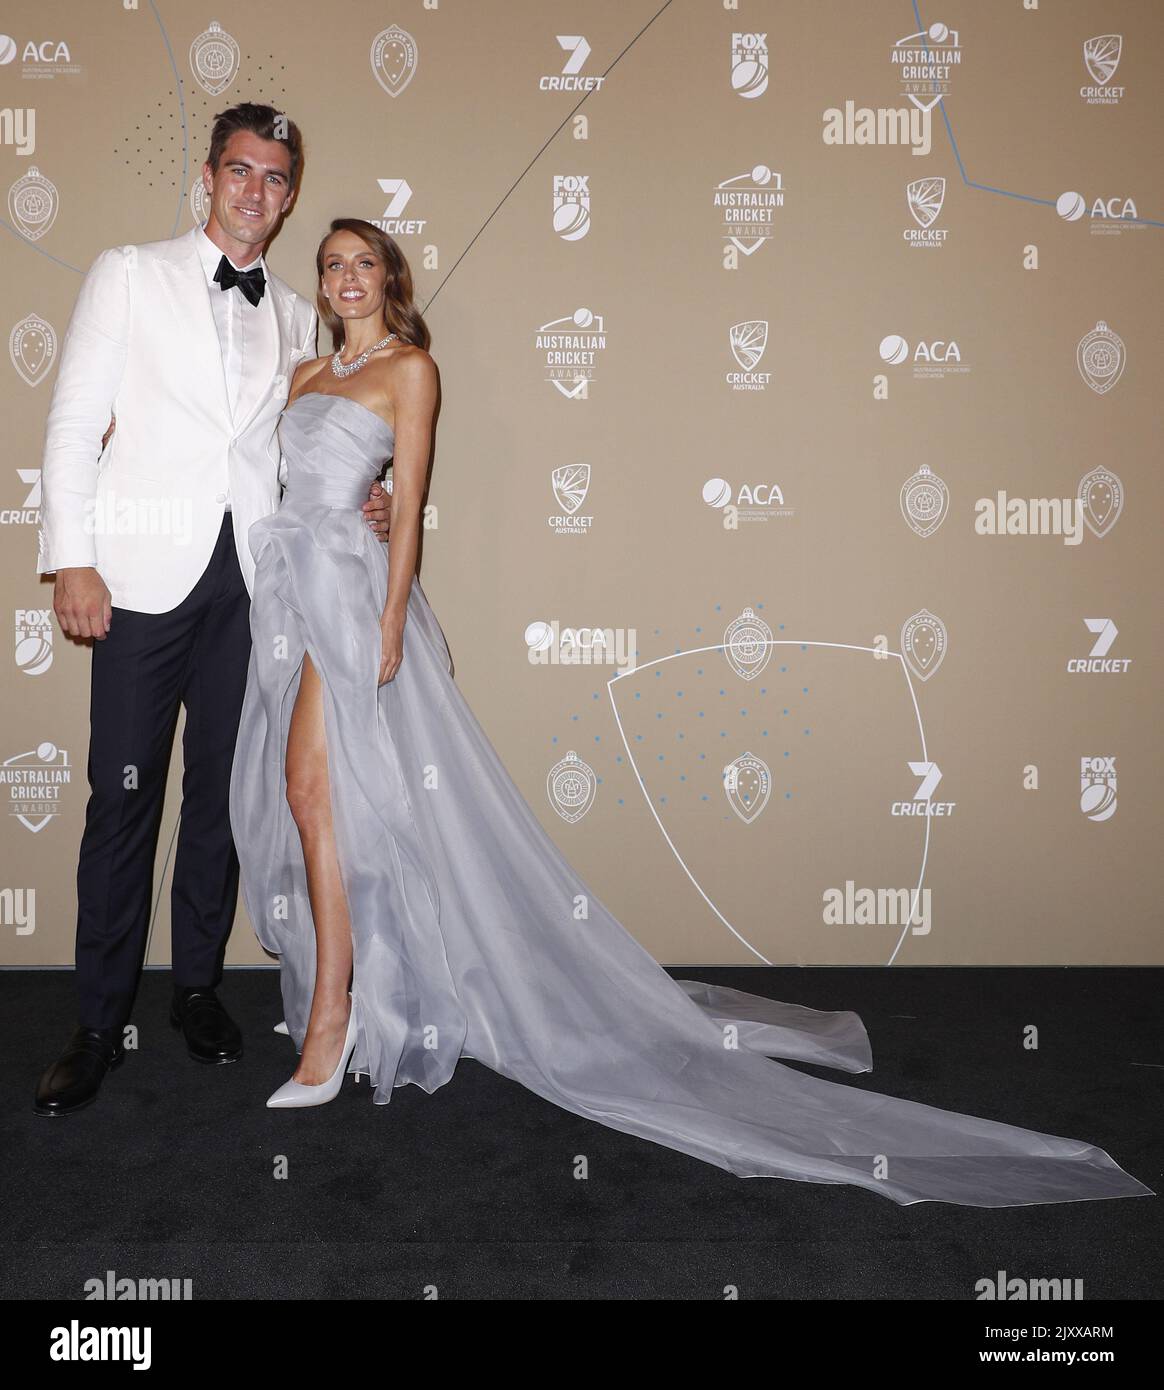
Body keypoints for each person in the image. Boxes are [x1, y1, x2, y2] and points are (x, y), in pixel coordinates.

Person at [229, 217, 1153, 1207]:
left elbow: (407, 506)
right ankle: (360, 994)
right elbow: (286, 488)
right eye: (334, 266)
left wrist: (394, 614)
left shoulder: (411, 370)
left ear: (388, 278)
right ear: (321, 288)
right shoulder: (299, 380)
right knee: (320, 799)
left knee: (321, 786)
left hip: (353, 596)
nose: (349, 277)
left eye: (365, 262)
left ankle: (336, 1020)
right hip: (290, 594)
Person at [32, 104, 392, 1118]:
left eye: (277, 179)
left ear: (288, 197)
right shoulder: (128, 272)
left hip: (253, 586)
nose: (256, 192)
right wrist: (73, 559)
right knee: (123, 799)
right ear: (208, 176)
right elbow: (73, 422)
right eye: (241, 171)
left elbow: (303, 446)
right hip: (141, 579)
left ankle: (195, 990)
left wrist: (367, 497)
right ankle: (99, 1023)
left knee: (224, 802)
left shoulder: (290, 311)